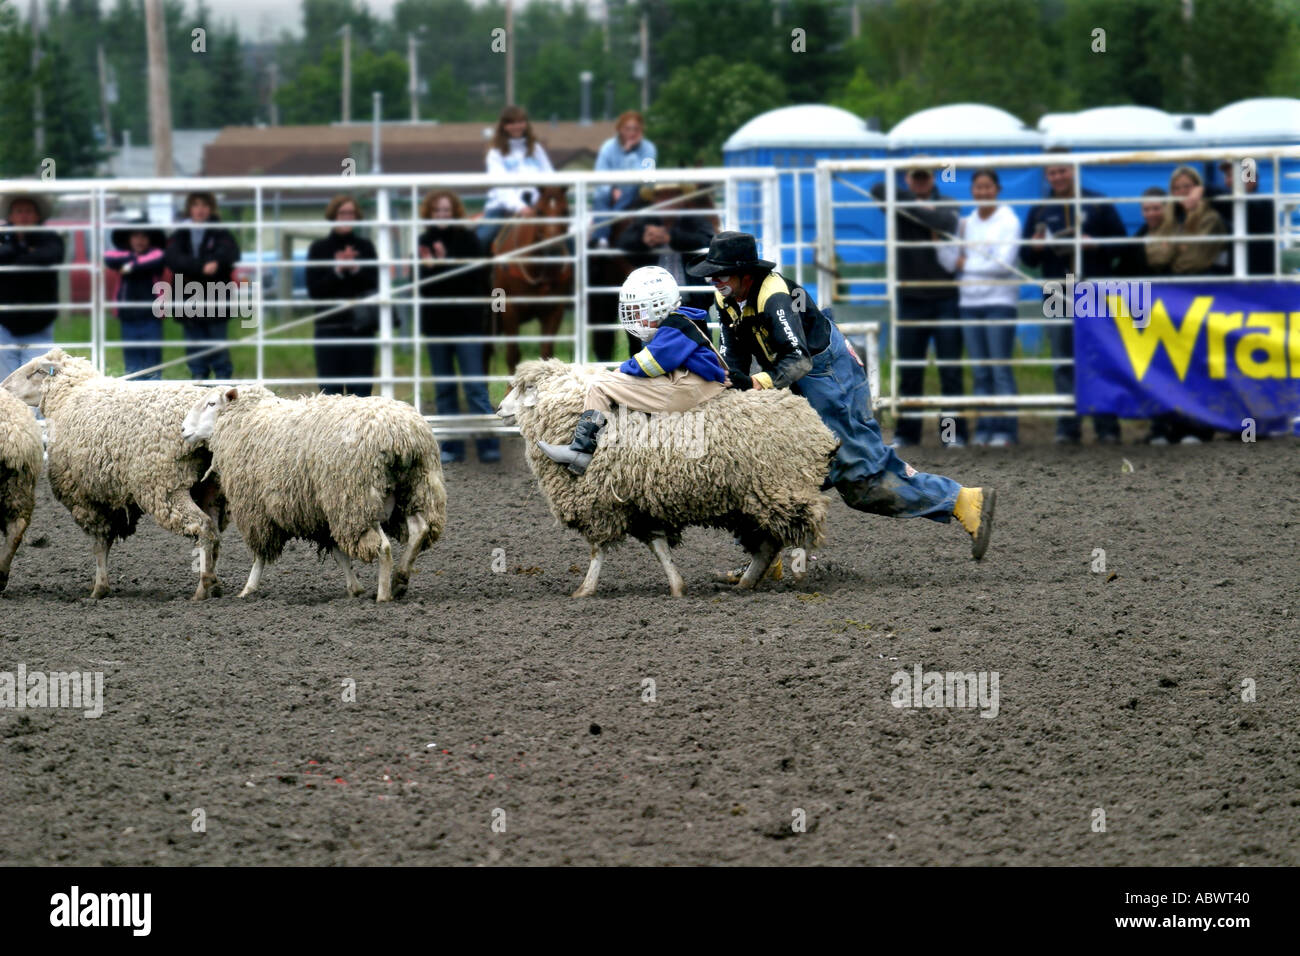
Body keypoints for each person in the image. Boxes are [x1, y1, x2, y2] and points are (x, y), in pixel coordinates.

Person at [686, 232, 996, 563]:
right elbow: (733, 352)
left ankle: (963, 501)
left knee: (862, 478)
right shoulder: (727, 299)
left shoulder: (775, 298)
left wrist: (756, 383)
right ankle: (765, 556)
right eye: (711, 273)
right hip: (798, 376)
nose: (713, 279)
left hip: (827, 376)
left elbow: (798, 359)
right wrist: (732, 382)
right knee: (771, 467)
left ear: (745, 274)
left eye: (720, 273)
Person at [537, 266, 727, 476]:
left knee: (599, 386)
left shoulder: (675, 328)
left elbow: (650, 364)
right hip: (693, 384)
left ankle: (580, 450)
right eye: (633, 312)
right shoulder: (680, 322)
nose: (636, 318)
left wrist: (621, 370)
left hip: (686, 389)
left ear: (660, 307)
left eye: (641, 312)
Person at [1020, 151, 1126, 445]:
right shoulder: (1039, 211)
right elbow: (1025, 256)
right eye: (1052, 173)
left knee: (1100, 357)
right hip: (1057, 288)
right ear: (1046, 177)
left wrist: (1097, 245)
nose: (1058, 177)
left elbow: (1121, 245)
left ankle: (1107, 427)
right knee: (1063, 360)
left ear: (1073, 171)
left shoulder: (1098, 203)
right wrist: (1036, 248)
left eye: (1062, 171)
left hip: (1094, 287)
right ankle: (1068, 426)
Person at [870, 161, 967, 448]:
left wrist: (910, 209)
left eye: (925, 176)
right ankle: (906, 434)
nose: (921, 181)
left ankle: (952, 434)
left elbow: (945, 222)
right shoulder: (899, 200)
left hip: (946, 298)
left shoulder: (947, 202)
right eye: (916, 177)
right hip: (910, 299)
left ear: (932, 178)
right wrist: (920, 209)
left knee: (950, 370)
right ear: (909, 180)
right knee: (910, 371)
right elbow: (877, 189)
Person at [417, 189, 500, 465]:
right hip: (437, 325)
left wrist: (442, 264)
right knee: (445, 389)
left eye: (446, 210)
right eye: (437, 210)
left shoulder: (468, 239)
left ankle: (489, 443)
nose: (442, 215)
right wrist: (437, 269)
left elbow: (473, 281)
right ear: (429, 213)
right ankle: (452, 445)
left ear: (454, 212)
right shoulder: (424, 241)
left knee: (475, 387)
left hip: (466, 325)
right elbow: (424, 288)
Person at [944, 169, 1022, 447]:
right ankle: (986, 427)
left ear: (997, 189)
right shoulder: (967, 223)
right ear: (973, 191)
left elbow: (1003, 265)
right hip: (969, 303)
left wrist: (967, 266)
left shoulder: (1009, 221)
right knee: (980, 370)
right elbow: (951, 260)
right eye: (978, 187)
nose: (983, 192)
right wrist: (960, 261)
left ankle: (1006, 429)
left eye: (988, 187)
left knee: (999, 368)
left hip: (999, 302)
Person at [306, 194, 379, 396]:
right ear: (334, 215)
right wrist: (337, 270)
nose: (347, 217)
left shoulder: (366, 247)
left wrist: (355, 269)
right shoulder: (319, 249)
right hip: (329, 328)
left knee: (361, 394)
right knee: (330, 394)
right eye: (342, 213)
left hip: (361, 329)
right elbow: (314, 291)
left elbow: (375, 285)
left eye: (351, 213)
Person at [164, 191, 240, 380]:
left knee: (217, 344)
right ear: (190, 208)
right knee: (194, 344)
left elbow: (230, 254)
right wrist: (202, 266)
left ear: (211, 209)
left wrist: (214, 264)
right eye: (196, 205)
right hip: (188, 297)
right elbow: (173, 259)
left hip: (217, 297)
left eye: (205, 205)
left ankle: (223, 383)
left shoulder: (221, 232)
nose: (200, 210)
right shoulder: (180, 233)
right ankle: (199, 382)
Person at [0, 192, 65, 382]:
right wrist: (24, 252)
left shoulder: (50, 238)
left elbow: (50, 256)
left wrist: (12, 257)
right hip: (4, 323)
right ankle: (9, 412)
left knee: (39, 379)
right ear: (10, 216)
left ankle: (36, 413)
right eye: (19, 211)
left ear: (37, 216)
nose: (24, 216)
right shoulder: (3, 236)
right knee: (5, 380)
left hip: (39, 322)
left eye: (29, 211)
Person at [478, 105, 554, 250]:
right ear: (504, 126)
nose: (517, 126)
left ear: (526, 124)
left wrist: (539, 203)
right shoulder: (495, 153)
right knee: (481, 240)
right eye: (511, 122)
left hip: (537, 207)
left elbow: (550, 177)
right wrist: (520, 207)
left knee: (567, 241)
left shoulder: (536, 149)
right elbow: (500, 187)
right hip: (502, 208)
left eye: (521, 121)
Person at [104, 217, 168, 379]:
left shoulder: (156, 254)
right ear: (128, 239)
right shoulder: (121, 255)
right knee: (132, 363)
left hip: (151, 317)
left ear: (150, 239)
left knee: (152, 364)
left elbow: (153, 260)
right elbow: (109, 257)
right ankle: (135, 397)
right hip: (128, 317)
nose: (140, 240)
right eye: (135, 236)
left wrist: (129, 266)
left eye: (144, 236)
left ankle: (154, 398)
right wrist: (134, 262)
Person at [592, 111, 657, 247]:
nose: (631, 133)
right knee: (600, 195)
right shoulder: (608, 147)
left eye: (636, 129)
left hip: (636, 191)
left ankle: (604, 227)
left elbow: (647, 178)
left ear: (641, 130)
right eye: (627, 128)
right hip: (611, 190)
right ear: (620, 129)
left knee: (632, 190)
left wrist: (629, 153)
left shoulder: (649, 148)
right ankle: (602, 238)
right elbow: (600, 174)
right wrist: (612, 189)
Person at [1208, 158, 1278, 276]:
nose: (1227, 182)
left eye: (1231, 175)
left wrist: (1203, 190)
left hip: (1258, 282)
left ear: (1250, 178)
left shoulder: (1263, 204)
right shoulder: (1231, 207)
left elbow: (1246, 207)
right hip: (1235, 279)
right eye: (1226, 176)